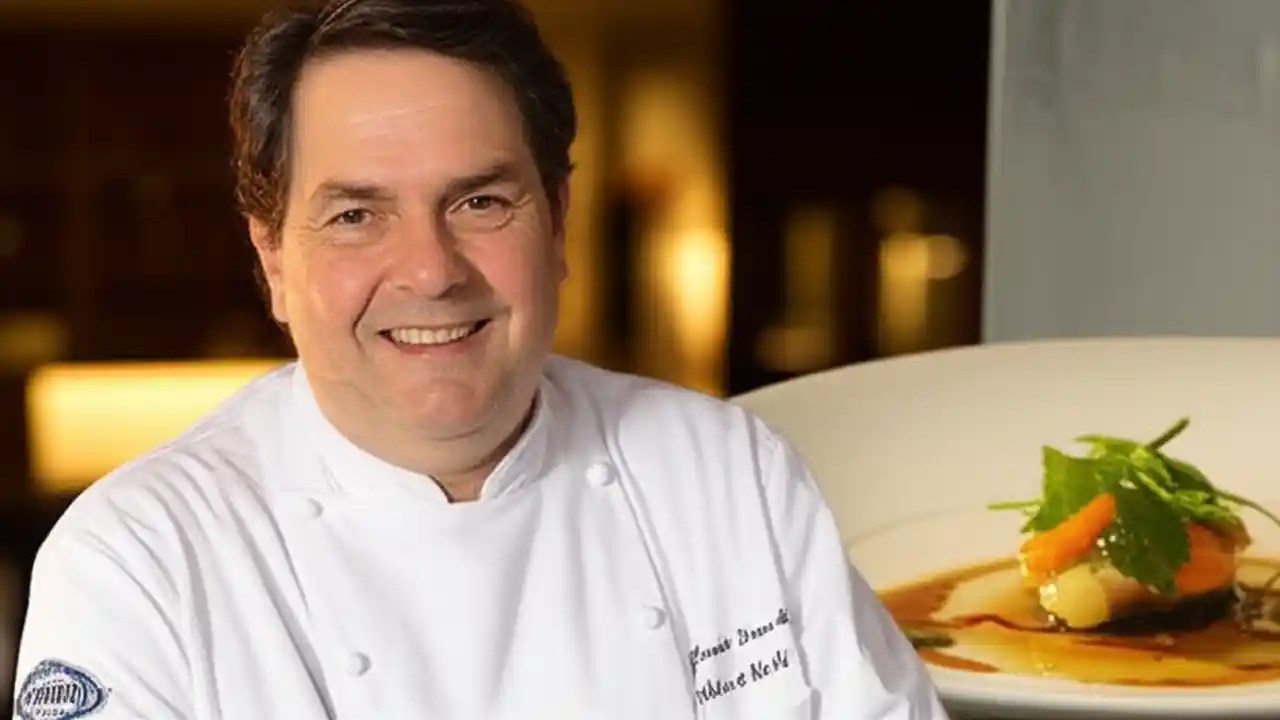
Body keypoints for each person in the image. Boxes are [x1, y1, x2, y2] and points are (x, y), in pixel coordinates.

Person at [11, 1, 948, 718]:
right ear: (275, 263)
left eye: (481, 203)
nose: (429, 269)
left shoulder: (727, 472)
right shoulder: (137, 558)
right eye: (354, 216)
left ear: (558, 222)